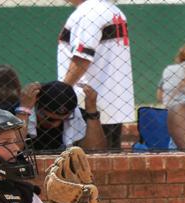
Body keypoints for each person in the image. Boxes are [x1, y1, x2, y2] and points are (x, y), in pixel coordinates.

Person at [57, 0, 133, 149]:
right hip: (111, 102)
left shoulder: (88, 12)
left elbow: (83, 57)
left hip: (85, 101)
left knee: (84, 163)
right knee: (109, 160)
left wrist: (61, 91)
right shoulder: (111, 10)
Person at [22, 79, 104, 152]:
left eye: (65, 119)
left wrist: (92, 110)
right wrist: (24, 109)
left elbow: (96, 151)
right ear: (36, 107)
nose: (56, 124)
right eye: (50, 119)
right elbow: (15, 150)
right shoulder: (19, 113)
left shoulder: (79, 116)